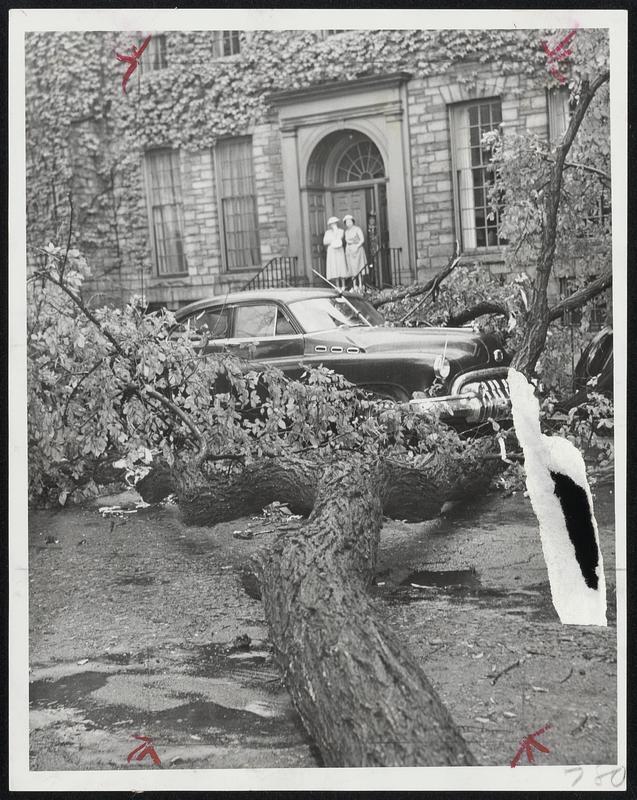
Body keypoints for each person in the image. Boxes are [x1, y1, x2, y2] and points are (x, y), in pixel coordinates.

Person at [323, 216, 349, 289]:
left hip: (339, 250)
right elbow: (325, 242)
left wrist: (334, 236)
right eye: (331, 224)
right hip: (331, 251)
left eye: (334, 223)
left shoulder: (341, 231)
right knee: (334, 267)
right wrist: (332, 240)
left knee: (341, 266)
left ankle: (343, 285)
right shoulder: (327, 232)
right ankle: (337, 286)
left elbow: (339, 238)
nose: (333, 225)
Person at [343, 214, 366, 291]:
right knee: (352, 268)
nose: (348, 223)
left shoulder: (357, 229)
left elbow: (362, 240)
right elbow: (347, 240)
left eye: (350, 221)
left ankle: (360, 285)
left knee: (358, 267)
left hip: (357, 250)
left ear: (352, 222)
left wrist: (357, 246)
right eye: (347, 222)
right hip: (350, 251)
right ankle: (354, 285)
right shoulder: (346, 232)